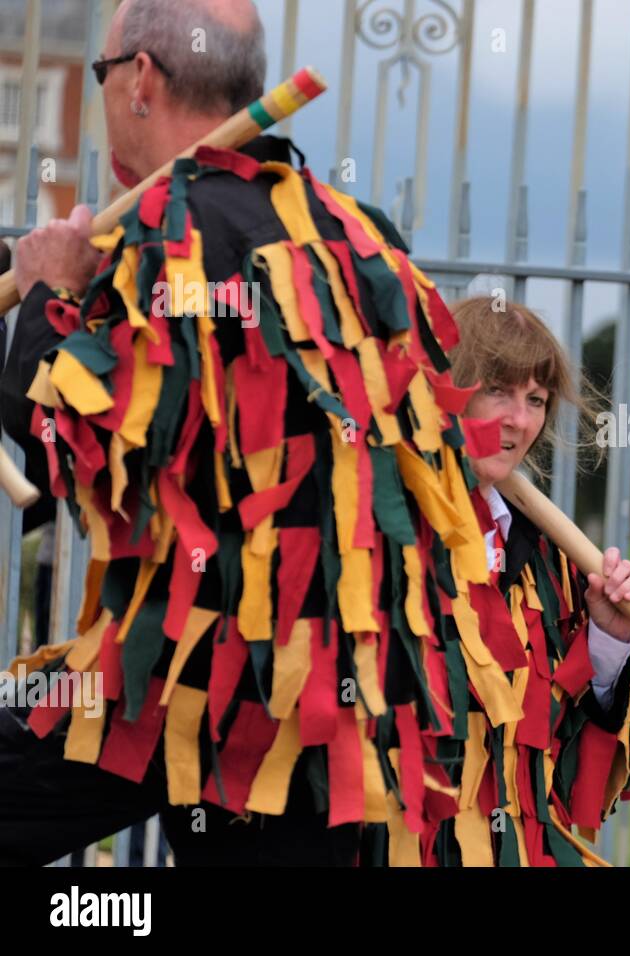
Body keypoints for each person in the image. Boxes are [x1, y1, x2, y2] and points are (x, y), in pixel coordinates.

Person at [0, 0, 481, 865]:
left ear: (140, 79)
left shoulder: (170, 238)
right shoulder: (360, 236)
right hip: (333, 692)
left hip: (193, 672)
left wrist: (46, 296)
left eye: (104, 76)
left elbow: (77, 459)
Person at [413, 296, 630, 867]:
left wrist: (606, 642)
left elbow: (564, 750)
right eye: (497, 389)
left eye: (536, 400)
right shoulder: (388, 534)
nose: (518, 421)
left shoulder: (549, 556)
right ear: (447, 387)